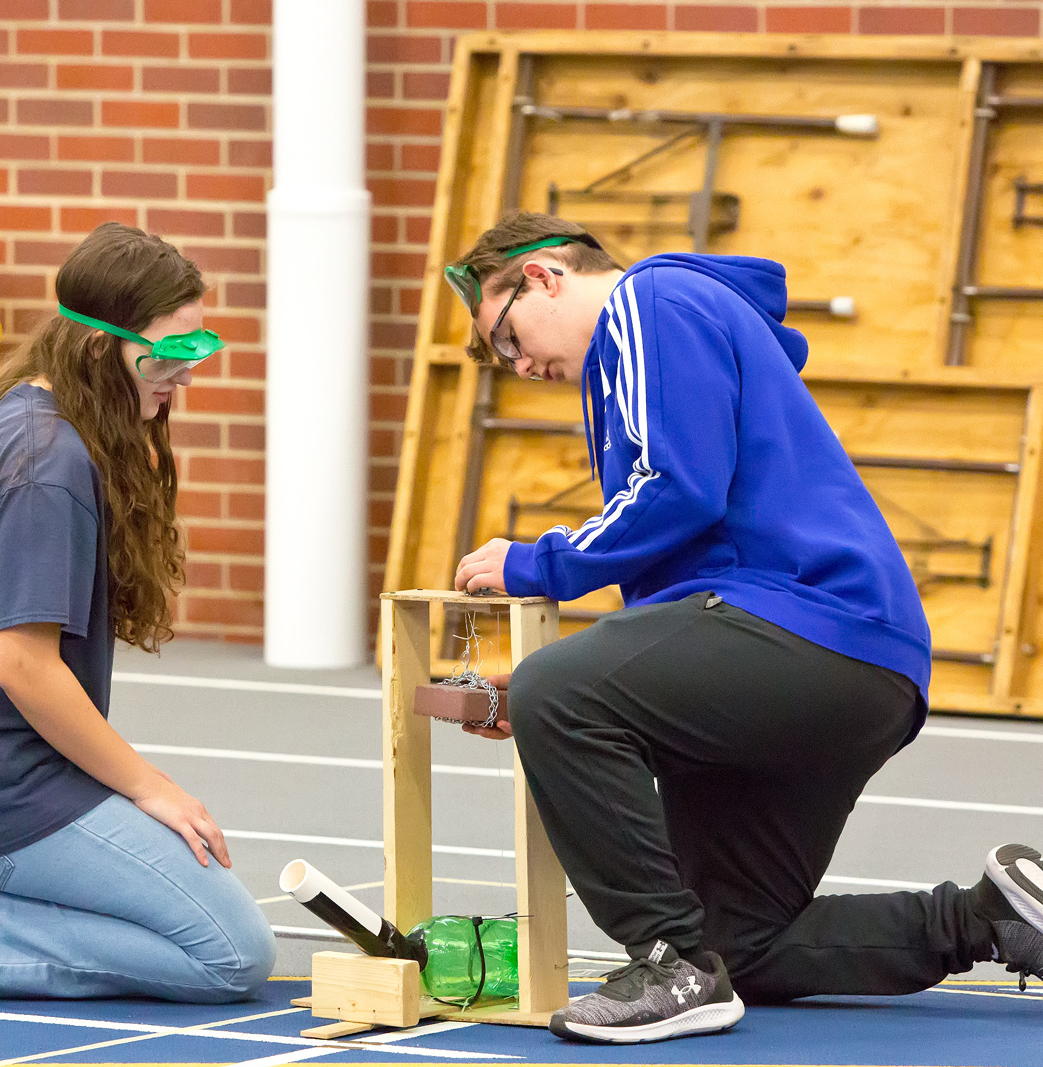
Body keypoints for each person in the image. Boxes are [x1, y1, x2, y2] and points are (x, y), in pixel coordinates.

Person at [446, 212, 1043, 1044]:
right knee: (739, 943)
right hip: (844, 653)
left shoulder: (650, 300)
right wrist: (580, 685)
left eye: (508, 337)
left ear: (545, 275)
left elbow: (677, 489)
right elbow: (689, 560)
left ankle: (667, 966)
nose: (518, 366)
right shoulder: (665, 334)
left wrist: (540, 571)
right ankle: (991, 916)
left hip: (812, 626)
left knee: (560, 691)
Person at [0, 223, 276, 1004]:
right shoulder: (49, 465)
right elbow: (24, 667)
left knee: (192, 922)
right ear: (101, 347)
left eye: (196, 348)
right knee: (232, 953)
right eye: (168, 353)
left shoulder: (29, 416)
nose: (184, 374)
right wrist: (152, 787)